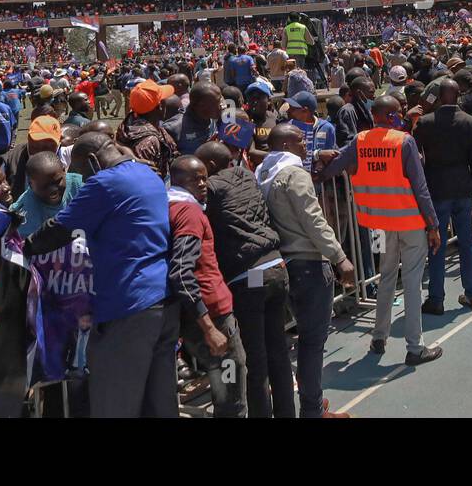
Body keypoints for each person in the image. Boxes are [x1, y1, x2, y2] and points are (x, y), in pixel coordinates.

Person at [25, 132, 179, 417]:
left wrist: (22, 246)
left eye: (82, 173)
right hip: (164, 302)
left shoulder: (104, 183)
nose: (81, 181)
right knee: (159, 400)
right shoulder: (148, 174)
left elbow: (60, 230)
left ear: (94, 162)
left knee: (114, 401)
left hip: (128, 307)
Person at [317, 95, 442, 364]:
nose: (401, 116)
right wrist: (433, 225)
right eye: (398, 113)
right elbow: (420, 189)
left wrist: (316, 167)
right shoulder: (403, 141)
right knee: (411, 283)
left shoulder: (360, 140)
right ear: (389, 116)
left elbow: (333, 169)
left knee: (385, 278)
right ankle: (415, 347)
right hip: (409, 224)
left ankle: (379, 337)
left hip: (379, 225)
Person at [256, 124, 354, 418]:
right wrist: (339, 257)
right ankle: (312, 410)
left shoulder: (264, 172)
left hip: (283, 263)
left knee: (298, 341)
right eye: (299, 141)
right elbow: (313, 219)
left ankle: (307, 403)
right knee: (313, 343)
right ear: (285, 145)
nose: (305, 146)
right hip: (309, 264)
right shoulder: (294, 174)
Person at [195, 140, 294, 419]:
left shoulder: (212, 188)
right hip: (277, 267)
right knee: (278, 351)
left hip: (249, 276)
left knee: (255, 358)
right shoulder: (246, 175)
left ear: (211, 166)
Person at [168, 155, 247, 418]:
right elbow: (181, 270)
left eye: (204, 178)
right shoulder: (188, 213)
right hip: (212, 312)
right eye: (195, 179)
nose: (203, 184)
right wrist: (209, 328)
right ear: (178, 181)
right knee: (230, 388)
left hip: (200, 311)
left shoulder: (170, 207)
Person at [415, 77, 472, 310]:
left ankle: (436, 298)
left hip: (436, 189)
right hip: (464, 188)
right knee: (467, 242)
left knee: (437, 244)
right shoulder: (471, 123)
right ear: (457, 95)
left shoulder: (424, 123)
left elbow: (417, 158)